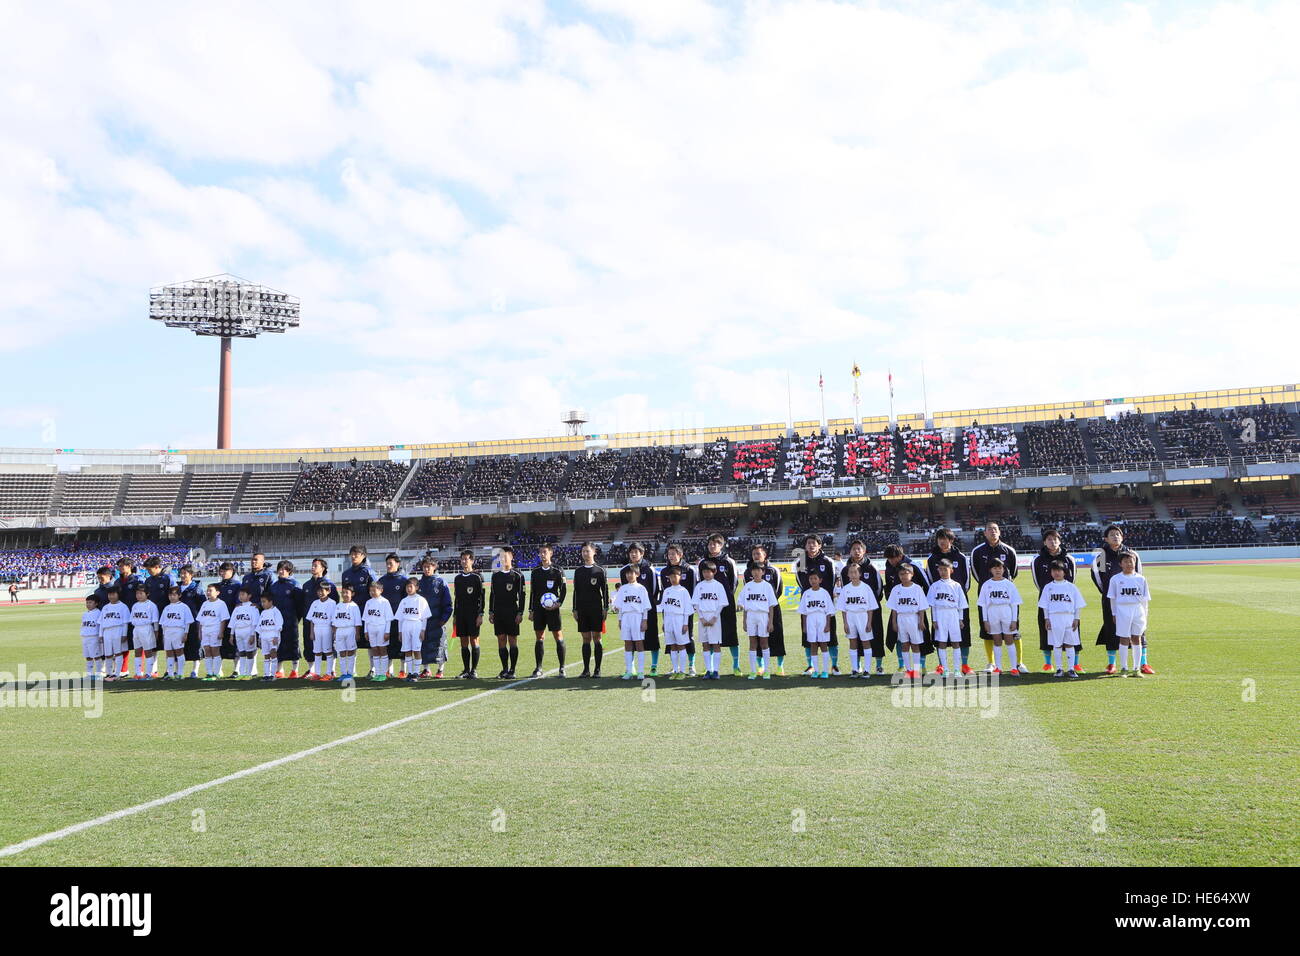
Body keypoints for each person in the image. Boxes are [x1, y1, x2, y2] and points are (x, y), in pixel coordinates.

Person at [1092, 525, 1153, 675]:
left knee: (1139, 633)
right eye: (1111, 535)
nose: (1115, 537)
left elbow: (1138, 574)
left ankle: (1143, 663)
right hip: (1111, 599)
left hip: (1133, 601)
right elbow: (1097, 578)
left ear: (1122, 537)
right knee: (1111, 629)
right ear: (1106, 539)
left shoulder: (1132, 554)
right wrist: (1108, 592)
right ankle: (1112, 664)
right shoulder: (1101, 556)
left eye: (1118, 534)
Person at [971, 522, 1022, 673]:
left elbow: (1013, 571)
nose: (992, 532)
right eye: (989, 530)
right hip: (987, 597)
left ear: (999, 532)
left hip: (1006, 598)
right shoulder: (977, 551)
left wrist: (1003, 584)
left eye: (995, 529)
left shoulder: (1009, 550)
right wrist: (987, 583)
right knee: (988, 631)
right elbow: (975, 572)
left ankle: (1018, 663)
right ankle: (991, 663)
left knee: (1013, 631)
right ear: (985, 533)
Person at [926, 529, 973, 674]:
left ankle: (963, 665)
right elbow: (930, 580)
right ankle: (942, 666)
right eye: (940, 538)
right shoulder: (932, 559)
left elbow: (967, 581)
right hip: (939, 605)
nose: (942, 541)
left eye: (945, 538)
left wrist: (957, 594)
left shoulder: (960, 557)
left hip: (957, 603)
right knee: (940, 637)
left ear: (951, 540)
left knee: (962, 635)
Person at [1031, 529, 1077, 672]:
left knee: (1072, 631)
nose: (1053, 542)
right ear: (1044, 542)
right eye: (1049, 539)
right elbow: (1037, 581)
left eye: (1055, 539)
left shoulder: (1069, 559)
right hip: (1047, 600)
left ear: (1060, 541)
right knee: (1046, 629)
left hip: (1067, 601)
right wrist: (1048, 593)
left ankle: (1074, 664)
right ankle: (1048, 663)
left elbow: (1072, 580)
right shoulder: (1038, 560)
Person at [882, 545, 932, 673]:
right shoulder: (889, 566)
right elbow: (888, 585)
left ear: (900, 556)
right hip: (898, 610)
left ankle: (921, 665)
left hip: (916, 611)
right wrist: (890, 597)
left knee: (921, 639)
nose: (891, 561)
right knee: (899, 638)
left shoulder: (913, 566)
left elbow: (927, 585)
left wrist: (923, 604)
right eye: (889, 559)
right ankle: (903, 665)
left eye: (893, 558)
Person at [797, 534, 840, 675]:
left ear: (820, 545)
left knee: (831, 636)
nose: (811, 545)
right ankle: (811, 666)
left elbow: (833, 581)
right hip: (809, 605)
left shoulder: (827, 561)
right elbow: (800, 581)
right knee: (808, 638)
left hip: (825, 607)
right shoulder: (801, 561)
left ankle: (834, 665)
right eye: (808, 543)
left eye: (814, 543)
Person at [698, 533, 740, 674]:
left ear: (721, 545)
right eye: (710, 543)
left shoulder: (729, 561)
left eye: (715, 543)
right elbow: (701, 582)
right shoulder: (703, 563)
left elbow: (734, 582)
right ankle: (709, 668)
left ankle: (736, 665)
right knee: (709, 637)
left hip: (726, 605)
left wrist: (725, 599)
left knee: (731, 635)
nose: (712, 546)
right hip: (708, 605)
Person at [1038, 560, 1086, 678]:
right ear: (1051, 572)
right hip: (1054, 618)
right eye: (1054, 570)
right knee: (1057, 644)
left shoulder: (1071, 587)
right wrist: (1046, 619)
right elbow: (1045, 605)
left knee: (1070, 644)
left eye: (1059, 570)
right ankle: (1059, 669)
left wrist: (1077, 618)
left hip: (1069, 617)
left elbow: (1077, 605)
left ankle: (1071, 669)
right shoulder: (1048, 587)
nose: (1057, 573)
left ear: (1064, 572)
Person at [1106, 551, 1151, 677]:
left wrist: (1145, 614)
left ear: (1135, 562)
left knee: (1137, 638)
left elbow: (1144, 599)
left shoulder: (1141, 579)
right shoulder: (1115, 579)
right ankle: (1124, 667)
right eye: (1125, 561)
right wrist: (1114, 613)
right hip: (1122, 610)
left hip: (1137, 610)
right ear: (1120, 564)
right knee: (1124, 638)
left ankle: (1136, 668)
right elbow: (1112, 598)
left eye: (1131, 561)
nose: (1129, 564)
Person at [620, 542, 661, 674]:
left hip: (648, 610)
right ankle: (630, 667)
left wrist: (649, 604)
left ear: (642, 553)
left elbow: (655, 589)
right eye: (631, 552)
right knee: (631, 639)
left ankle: (653, 666)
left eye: (636, 552)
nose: (633, 554)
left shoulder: (650, 569)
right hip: (631, 613)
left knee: (652, 637)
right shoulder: (624, 570)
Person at [528, 543, 567, 678]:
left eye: (545, 552)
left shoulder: (558, 570)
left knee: (558, 636)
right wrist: (531, 610)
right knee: (539, 637)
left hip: (553, 609)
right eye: (541, 552)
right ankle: (538, 668)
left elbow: (563, 590)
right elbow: (532, 592)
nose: (542, 555)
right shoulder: (535, 572)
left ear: (551, 553)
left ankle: (562, 668)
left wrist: (559, 603)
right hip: (539, 610)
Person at [977, 559, 1022, 674]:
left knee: (1009, 640)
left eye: (1000, 568)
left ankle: (1013, 668)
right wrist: (985, 621)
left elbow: (1014, 604)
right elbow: (983, 605)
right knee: (996, 640)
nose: (997, 570)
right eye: (995, 568)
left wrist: (1014, 620)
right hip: (992, 613)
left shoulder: (1009, 584)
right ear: (990, 570)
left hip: (1006, 612)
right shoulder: (986, 585)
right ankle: (999, 667)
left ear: (1004, 569)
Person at [836, 560, 879, 678]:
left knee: (866, 642)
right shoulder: (845, 589)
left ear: (860, 574)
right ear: (848, 575)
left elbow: (871, 607)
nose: (853, 574)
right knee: (852, 642)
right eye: (851, 572)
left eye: (855, 572)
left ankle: (867, 670)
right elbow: (843, 609)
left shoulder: (866, 588)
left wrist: (869, 622)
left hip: (863, 616)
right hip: (850, 617)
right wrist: (845, 623)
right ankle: (854, 669)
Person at [748, 543, 786, 676]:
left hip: (772, 609)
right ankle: (761, 666)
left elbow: (779, 590)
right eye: (754, 554)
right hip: (755, 612)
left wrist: (769, 604)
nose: (756, 556)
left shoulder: (773, 570)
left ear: (765, 555)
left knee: (777, 636)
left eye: (758, 554)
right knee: (758, 639)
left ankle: (780, 666)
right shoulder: (749, 571)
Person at [572, 543, 609, 678]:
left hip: (596, 608)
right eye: (583, 551)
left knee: (597, 638)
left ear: (594, 552)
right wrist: (574, 608)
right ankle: (586, 669)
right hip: (582, 609)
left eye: (587, 551)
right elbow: (576, 592)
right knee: (585, 638)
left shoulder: (600, 570)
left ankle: (597, 669)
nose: (585, 553)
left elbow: (605, 591)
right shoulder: (578, 571)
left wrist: (605, 608)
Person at [660, 543, 698, 675]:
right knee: (672, 642)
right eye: (669, 554)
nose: (671, 557)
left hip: (685, 612)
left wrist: (687, 617)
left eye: (673, 554)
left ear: (680, 555)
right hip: (670, 614)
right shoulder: (664, 571)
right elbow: (664, 592)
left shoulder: (689, 569)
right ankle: (674, 667)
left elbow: (693, 592)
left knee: (689, 637)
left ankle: (691, 665)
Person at [490, 546, 527, 679]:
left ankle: (512, 669)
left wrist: (520, 612)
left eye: (505, 556)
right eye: (501, 556)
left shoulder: (518, 575)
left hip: (512, 611)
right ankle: (504, 669)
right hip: (498, 612)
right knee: (501, 639)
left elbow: (522, 595)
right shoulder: (495, 575)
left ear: (511, 557)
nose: (503, 558)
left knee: (512, 640)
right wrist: (491, 611)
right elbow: (492, 595)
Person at [738, 562, 778, 680]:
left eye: (758, 570)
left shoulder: (767, 586)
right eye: (754, 570)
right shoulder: (747, 586)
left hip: (763, 616)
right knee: (752, 643)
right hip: (751, 616)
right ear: (751, 572)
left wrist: (770, 622)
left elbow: (771, 606)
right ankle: (753, 671)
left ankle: (767, 670)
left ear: (763, 572)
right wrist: (744, 621)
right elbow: (744, 605)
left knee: (764, 643)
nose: (756, 572)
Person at [416, 557, 453, 680]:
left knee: (440, 645)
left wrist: (444, 619)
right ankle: (426, 670)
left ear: (434, 567)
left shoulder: (441, 582)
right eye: (425, 567)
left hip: (438, 620)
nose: (427, 569)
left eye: (429, 567)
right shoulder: (419, 584)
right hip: (423, 622)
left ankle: (440, 670)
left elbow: (448, 603)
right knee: (423, 645)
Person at [612, 565, 649, 680]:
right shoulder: (623, 588)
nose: (629, 575)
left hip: (637, 616)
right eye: (627, 573)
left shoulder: (641, 588)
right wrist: (619, 620)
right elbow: (620, 607)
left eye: (631, 573)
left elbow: (645, 607)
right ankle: (628, 671)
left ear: (637, 574)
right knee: (627, 643)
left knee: (639, 643)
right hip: (626, 617)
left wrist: (644, 620)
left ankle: (641, 672)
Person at [267, 560, 303, 679]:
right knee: (278, 645)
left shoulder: (295, 584)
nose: (282, 571)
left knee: (293, 644)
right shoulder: (274, 586)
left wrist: (295, 618)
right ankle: (279, 670)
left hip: (291, 620)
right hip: (276, 621)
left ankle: (294, 670)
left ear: (290, 571)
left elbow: (299, 605)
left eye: (285, 569)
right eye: (280, 569)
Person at [452, 550, 485, 679]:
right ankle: (466, 670)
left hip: (473, 614)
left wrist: (480, 614)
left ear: (472, 561)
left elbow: (481, 598)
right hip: (461, 614)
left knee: (474, 640)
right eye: (462, 559)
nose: (464, 562)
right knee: (463, 642)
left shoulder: (477, 577)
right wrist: (455, 615)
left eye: (466, 559)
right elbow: (457, 599)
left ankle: (474, 670)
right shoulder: (457, 578)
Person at [692, 560, 727, 680]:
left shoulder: (718, 585)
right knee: (705, 644)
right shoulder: (699, 586)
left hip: (714, 618)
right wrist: (701, 617)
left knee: (716, 644)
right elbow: (695, 603)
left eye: (709, 571)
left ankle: (716, 671)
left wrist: (714, 617)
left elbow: (722, 603)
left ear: (714, 572)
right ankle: (708, 670)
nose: (706, 574)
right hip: (703, 618)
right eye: (704, 572)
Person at [657, 565, 694, 679]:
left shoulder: (683, 591)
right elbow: (664, 608)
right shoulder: (667, 591)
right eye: (671, 576)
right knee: (672, 646)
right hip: (668, 620)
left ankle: (682, 671)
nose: (673, 578)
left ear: (680, 577)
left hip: (679, 620)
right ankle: (675, 670)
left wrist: (685, 623)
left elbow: (687, 610)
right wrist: (664, 622)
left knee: (681, 645)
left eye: (675, 576)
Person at [797, 569, 835, 679]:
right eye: (811, 579)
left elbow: (829, 611)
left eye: (815, 578)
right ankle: (816, 670)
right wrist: (804, 626)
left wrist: (828, 624)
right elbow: (803, 612)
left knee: (823, 645)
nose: (813, 581)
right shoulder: (806, 593)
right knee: (813, 645)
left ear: (820, 580)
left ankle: (825, 671)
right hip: (810, 620)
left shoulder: (824, 593)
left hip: (822, 619)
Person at [377, 553, 409, 678]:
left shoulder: (403, 580)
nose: (389, 566)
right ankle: (388, 670)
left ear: (398, 564)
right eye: (387, 563)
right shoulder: (382, 580)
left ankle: (402, 670)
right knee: (387, 644)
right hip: (385, 620)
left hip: (400, 619)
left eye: (391, 563)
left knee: (402, 644)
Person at [396, 577, 431, 683]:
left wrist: (423, 630)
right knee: (407, 650)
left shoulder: (421, 600)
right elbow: (400, 619)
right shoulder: (404, 601)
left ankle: (416, 672)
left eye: (411, 586)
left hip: (417, 625)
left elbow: (424, 617)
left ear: (416, 587)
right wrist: (400, 632)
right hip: (406, 625)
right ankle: (410, 672)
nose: (409, 589)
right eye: (407, 587)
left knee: (416, 650)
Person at [175, 564, 205, 678]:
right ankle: (178, 671)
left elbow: (202, 606)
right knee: (179, 646)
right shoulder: (176, 588)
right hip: (179, 623)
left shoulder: (197, 588)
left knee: (195, 645)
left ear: (191, 575)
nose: (182, 576)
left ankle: (195, 670)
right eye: (181, 573)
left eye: (185, 573)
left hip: (193, 622)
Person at [197, 583, 231, 681]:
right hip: (205, 630)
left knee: (215, 650)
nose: (208, 592)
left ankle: (217, 673)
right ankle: (209, 673)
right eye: (207, 590)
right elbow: (200, 619)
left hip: (215, 629)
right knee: (207, 650)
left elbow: (223, 620)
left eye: (210, 590)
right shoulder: (205, 604)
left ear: (217, 592)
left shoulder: (221, 604)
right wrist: (199, 632)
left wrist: (221, 632)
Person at [159, 586, 194, 680]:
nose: (172, 597)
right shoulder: (167, 608)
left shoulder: (184, 607)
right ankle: (170, 674)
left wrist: (185, 633)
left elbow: (188, 622)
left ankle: (180, 673)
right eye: (170, 595)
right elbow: (163, 623)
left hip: (178, 631)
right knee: (169, 653)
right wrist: (163, 635)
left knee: (179, 651)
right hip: (167, 632)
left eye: (174, 594)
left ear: (179, 595)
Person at [305, 581, 337, 681]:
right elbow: (312, 620)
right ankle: (317, 673)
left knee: (328, 651)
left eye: (322, 590)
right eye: (318, 591)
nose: (320, 593)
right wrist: (311, 632)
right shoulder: (315, 603)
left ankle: (329, 673)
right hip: (316, 629)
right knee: (317, 652)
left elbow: (333, 620)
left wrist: (333, 633)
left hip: (327, 628)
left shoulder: (332, 603)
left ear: (328, 591)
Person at [363, 580, 395, 681]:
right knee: (374, 651)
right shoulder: (368, 602)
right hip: (371, 629)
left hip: (381, 628)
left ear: (381, 590)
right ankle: (377, 673)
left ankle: (383, 673)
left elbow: (388, 619)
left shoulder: (385, 602)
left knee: (382, 650)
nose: (372, 592)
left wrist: (387, 632)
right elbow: (366, 619)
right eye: (370, 590)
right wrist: (365, 631)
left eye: (374, 590)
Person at [98, 586, 131, 681]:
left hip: (118, 630)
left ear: (118, 595)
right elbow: (101, 623)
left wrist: (124, 634)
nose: (111, 596)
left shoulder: (123, 607)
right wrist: (101, 634)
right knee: (108, 654)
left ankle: (117, 673)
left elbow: (125, 622)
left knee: (118, 653)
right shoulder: (105, 607)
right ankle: (109, 673)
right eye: (109, 594)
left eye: (113, 594)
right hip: (107, 632)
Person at [332, 584, 363, 682]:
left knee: (350, 652)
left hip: (350, 630)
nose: (345, 595)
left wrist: (357, 633)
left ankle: (350, 673)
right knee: (341, 652)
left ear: (352, 594)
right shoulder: (338, 606)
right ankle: (343, 673)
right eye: (343, 592)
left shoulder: (354, 606)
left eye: (347, 593)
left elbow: (358, 622)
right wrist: (334, 633)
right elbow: (334, 622)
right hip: (340, 631)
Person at [129, 584, 160, 679]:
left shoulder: (151, 605)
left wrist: (156, 632)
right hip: (137, 629)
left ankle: (149, 673)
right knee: (137, 651)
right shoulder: (135, 605)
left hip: (147, 629)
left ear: (147, 594)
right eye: (137, 593)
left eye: (141, 593)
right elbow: (132, 619)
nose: (139, 595)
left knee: (148, 651)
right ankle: (138, 673)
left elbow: (155, 621)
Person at [229, 587, 260, 679]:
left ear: (249, 596)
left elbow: (254, 623)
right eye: (240, 595)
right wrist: (231, 635)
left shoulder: (253, 607)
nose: (241, 597)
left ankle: (250, 673)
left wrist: (252, 635)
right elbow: (233, 622)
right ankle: (242, 672)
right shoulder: (237, 607)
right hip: (238, 632)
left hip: (248, 631)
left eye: (243, 594)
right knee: (241, 652)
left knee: (250, 652)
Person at [256, 593, 284, 682]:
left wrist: (276, 636)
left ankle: (273, 674)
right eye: (261, 602)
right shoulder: (263, 612)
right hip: (264, 636)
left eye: (264, 602)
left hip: (273, 635)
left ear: (270, 602)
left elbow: (279, 624)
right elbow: (260, 626)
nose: (262, 604)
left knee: (273, 653)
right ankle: (266, 674)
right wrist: (259, 637)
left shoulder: (276, 611)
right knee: (266, 655)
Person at [80, 595, 102, 680]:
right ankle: (89, 674)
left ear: (96, 603)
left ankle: (99, 674)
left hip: (94, 637)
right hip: (85, 637)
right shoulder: (85, 614)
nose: (88, 604)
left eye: (90, 602)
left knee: (96, 656)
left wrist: (100, 636)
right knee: (88, 656)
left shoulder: (98, 613)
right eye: (87, 603)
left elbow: (100, 625)